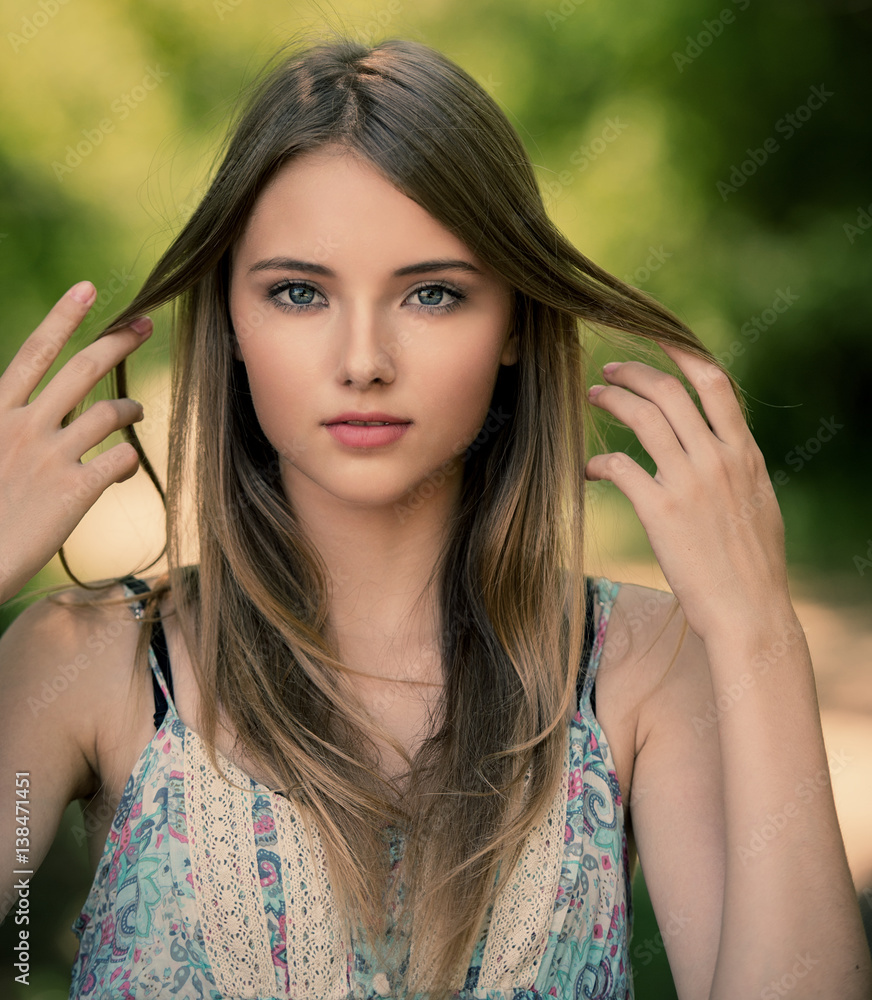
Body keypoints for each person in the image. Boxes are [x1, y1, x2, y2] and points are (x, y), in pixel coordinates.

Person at [0, 34, 869, 1000]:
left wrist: (758, 633)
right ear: (232, 324)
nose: (363, 360)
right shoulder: (88, 661)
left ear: (514, 325)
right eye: (299, 292)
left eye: (432, 294)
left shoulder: (642, 666)